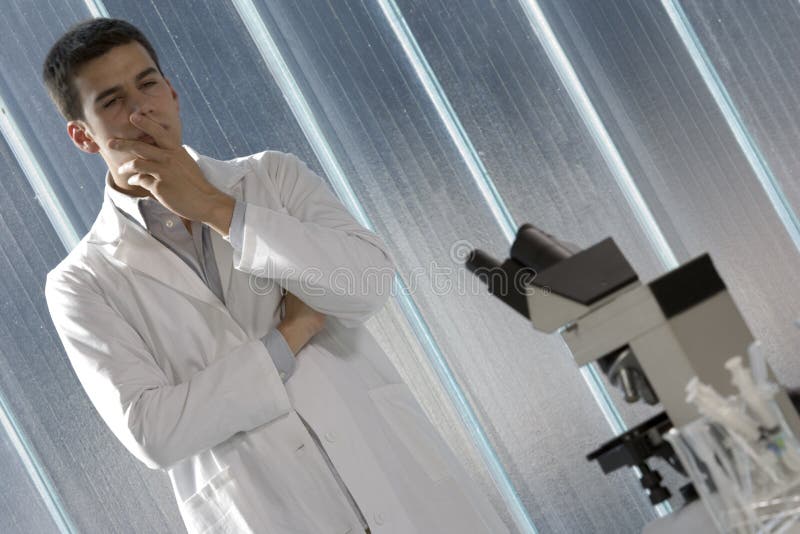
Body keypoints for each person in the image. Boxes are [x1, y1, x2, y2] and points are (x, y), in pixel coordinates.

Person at [42, 17, 511, 534]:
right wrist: (294, 333)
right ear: (83, 136)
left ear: (172, 92)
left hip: (407, 491)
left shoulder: (272, 178)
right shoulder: (82, 283)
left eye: (148, 83)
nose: (140, 109)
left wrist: (217, 208)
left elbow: (369, 284)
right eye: (111, 101)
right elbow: (153, 432)